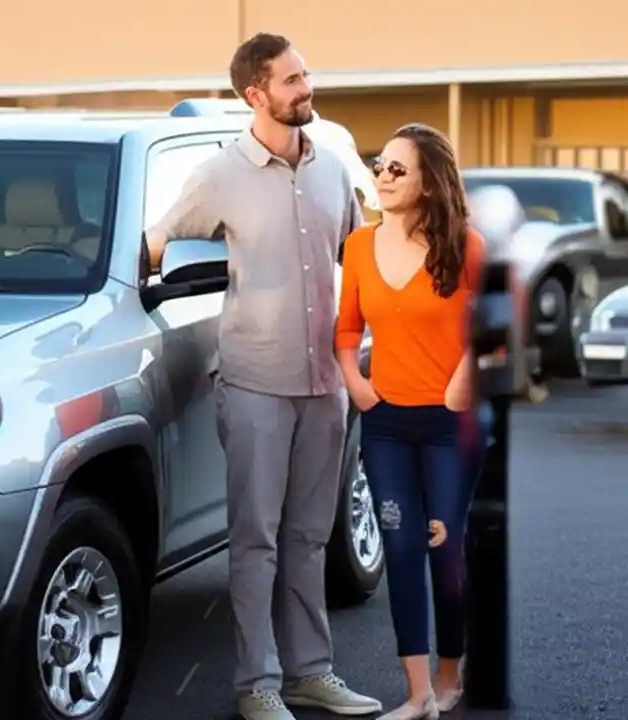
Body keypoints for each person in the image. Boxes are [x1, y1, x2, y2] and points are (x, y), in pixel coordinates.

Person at [145, 33, 382, 720]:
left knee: (310, 537)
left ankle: (312, 672)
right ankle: (257, 686)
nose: (306, 87)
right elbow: (158, 242)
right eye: (293, 79)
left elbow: (358, 261)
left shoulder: (334, 170)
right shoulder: (220, 175)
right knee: (257, 541)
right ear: (257, 93)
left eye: (306, 75)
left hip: (323, 386)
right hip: (254, 385)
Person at [334, 124, 486, 720]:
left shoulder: (466, 245)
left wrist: (462, 382)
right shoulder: (357, 246)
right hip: (387, 424)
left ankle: (452, 677)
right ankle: (418, 694)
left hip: (451, 426)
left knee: (444, 551)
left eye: (398, 168)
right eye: (380, 164)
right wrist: (358, 386)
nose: (383, 175)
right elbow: (346, 331)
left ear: (428, 183)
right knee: (400, 546)